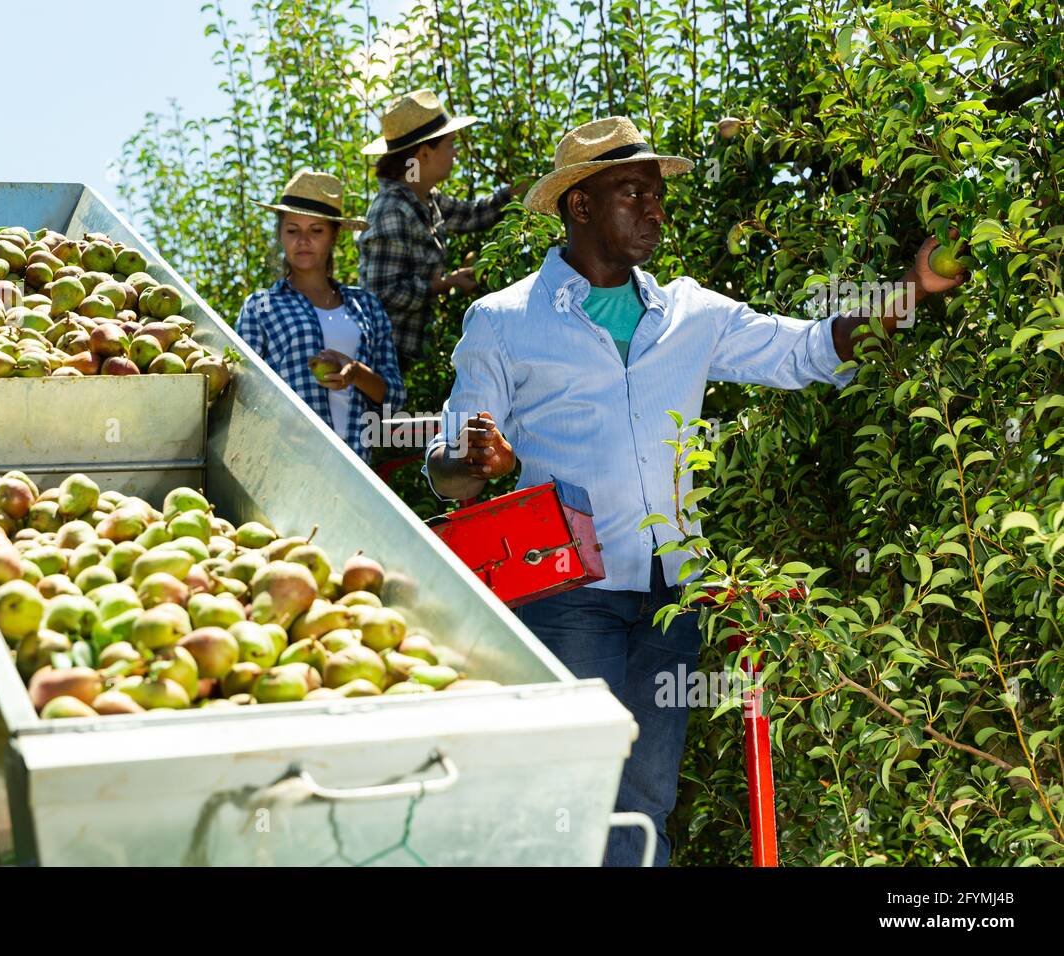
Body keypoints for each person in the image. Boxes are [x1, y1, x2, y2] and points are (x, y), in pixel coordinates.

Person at [423, 116, 966, 866]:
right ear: (579, 205)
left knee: (647, 798)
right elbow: (444, 464)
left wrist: (913, 288)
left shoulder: (691, 313)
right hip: (567, 594)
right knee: (573, 791)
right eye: (633, 193)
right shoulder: (505, 321)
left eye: (657, 194)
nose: (655, 209)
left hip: (675, 591)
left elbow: (808, 348)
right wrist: (475, 463)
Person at [236, 169, 405, 462]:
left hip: (355, 462)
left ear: (334, 235)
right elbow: (242, 391)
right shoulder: (260, 307)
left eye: (316, 230)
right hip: (287, 460)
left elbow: (395, 397)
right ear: (280, 234)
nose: (303, 240)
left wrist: (356, 372)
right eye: (292, 230)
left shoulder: (366, 306)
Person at [357, 88, 524, 369]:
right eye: (449, 145)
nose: (456, 153)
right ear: (423, 153)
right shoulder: (391, 210)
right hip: (384, 362)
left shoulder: (426, 199)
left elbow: (472, 215)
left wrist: (515, 193)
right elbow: (383, 293)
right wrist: (447, 283)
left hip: (405, 361)